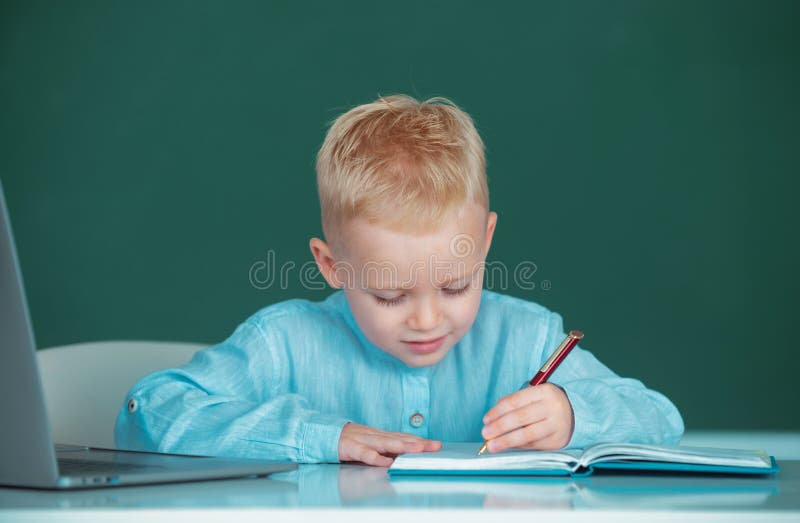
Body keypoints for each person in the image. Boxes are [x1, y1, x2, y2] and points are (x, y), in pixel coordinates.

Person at [115, 95, 683, 466]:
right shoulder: (285, 342)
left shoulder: (527, 337)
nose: (428, 320)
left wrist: (571, 415)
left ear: (485, 242)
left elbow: (661, 417)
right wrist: (317, 436)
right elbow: (148, 413)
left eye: (457, 286)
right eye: (390, 295)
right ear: (332, 266)